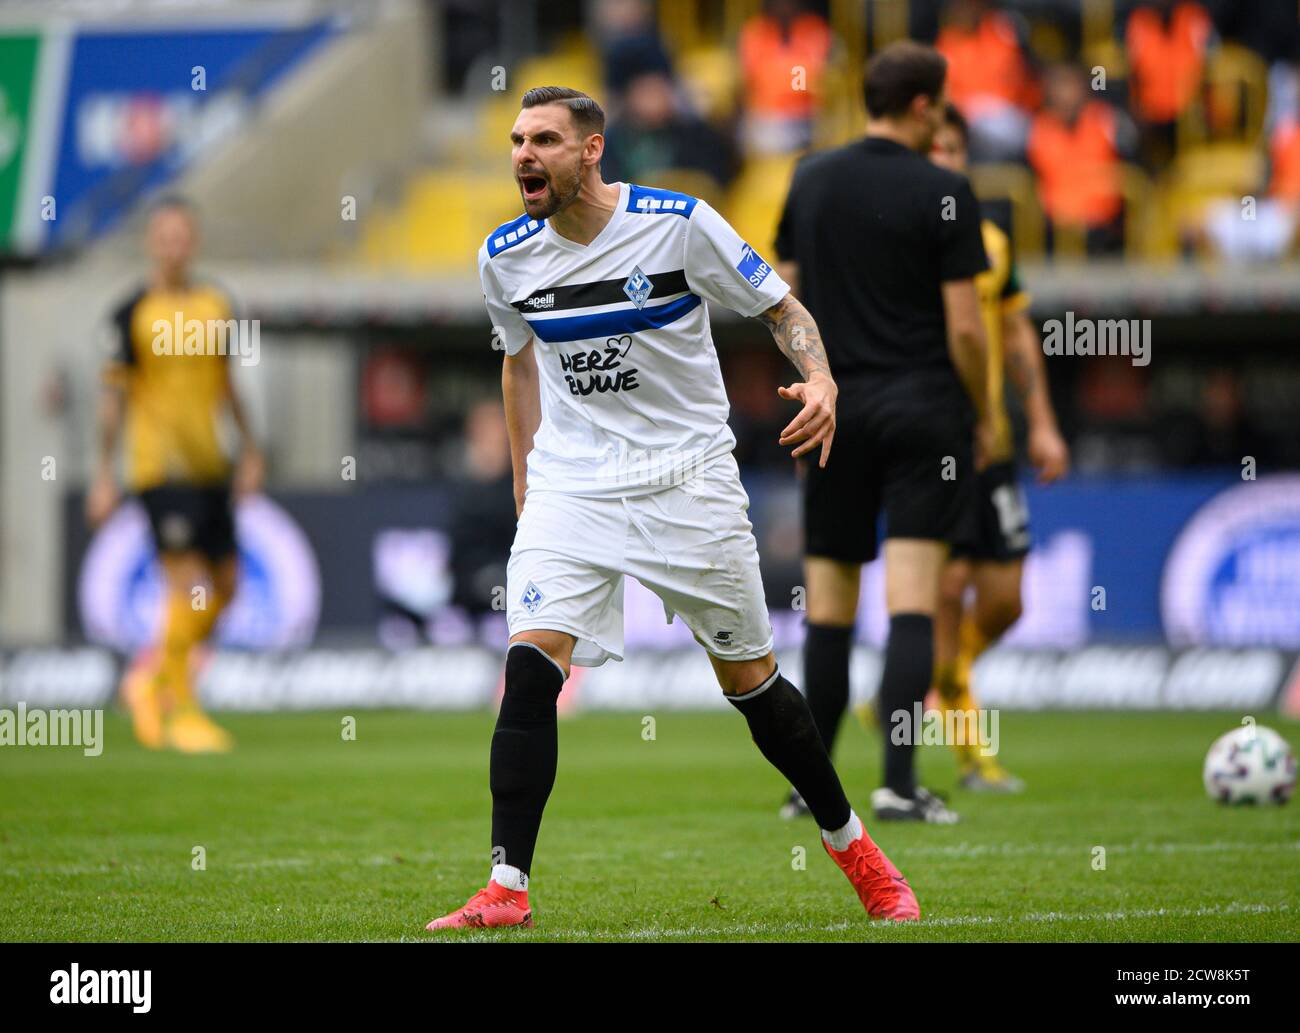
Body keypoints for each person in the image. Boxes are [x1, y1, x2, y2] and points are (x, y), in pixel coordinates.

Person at [427, 85, 919, 930]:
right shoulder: (504, 255)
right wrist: (526, 483)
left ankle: (855, 848)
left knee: (753, 684)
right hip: (572, 484)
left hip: (687, 479)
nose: (522, 155)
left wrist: (825, 377)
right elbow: (516, 364)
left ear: (591, 150)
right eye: (514, 139)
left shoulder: (678, 223)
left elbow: (781, 307)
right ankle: (506, 886)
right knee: (529, 664)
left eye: (543, 139)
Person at [772, 41, 992, 825]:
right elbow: (967, 328)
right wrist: (987, 412)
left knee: (828, 604)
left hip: (835, 410)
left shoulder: (809, 178)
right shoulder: (947, 188)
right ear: (927, 106)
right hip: (924, 410)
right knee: (911, 606)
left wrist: (811, 387)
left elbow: (785, 300)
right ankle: (898, 785)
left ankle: (812, 785)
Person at [86, 197, 264, 753]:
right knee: (188, 587)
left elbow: (229, 383)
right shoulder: (129, 314)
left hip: (212, 464)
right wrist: (103, 474)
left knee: (226, 588)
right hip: (159, 467)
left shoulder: (218, 303)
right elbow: (112, 400)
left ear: (194, 241)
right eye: (164, 236)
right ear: (150, 243)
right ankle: (183, 709)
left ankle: (149, 678)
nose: (174, 245)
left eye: (182, 235)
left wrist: (251, 449)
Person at [929, 103, 1070, 791]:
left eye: (954, 149)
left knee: (1006, 600)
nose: (945, 160)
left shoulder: (990, 239)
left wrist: (1041, 421)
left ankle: (927, 678)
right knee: (948, 592)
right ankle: (970, 754)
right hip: (935, 447)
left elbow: (1016, 335)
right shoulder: (897, 244)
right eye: (934, 149)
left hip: (998, 442)